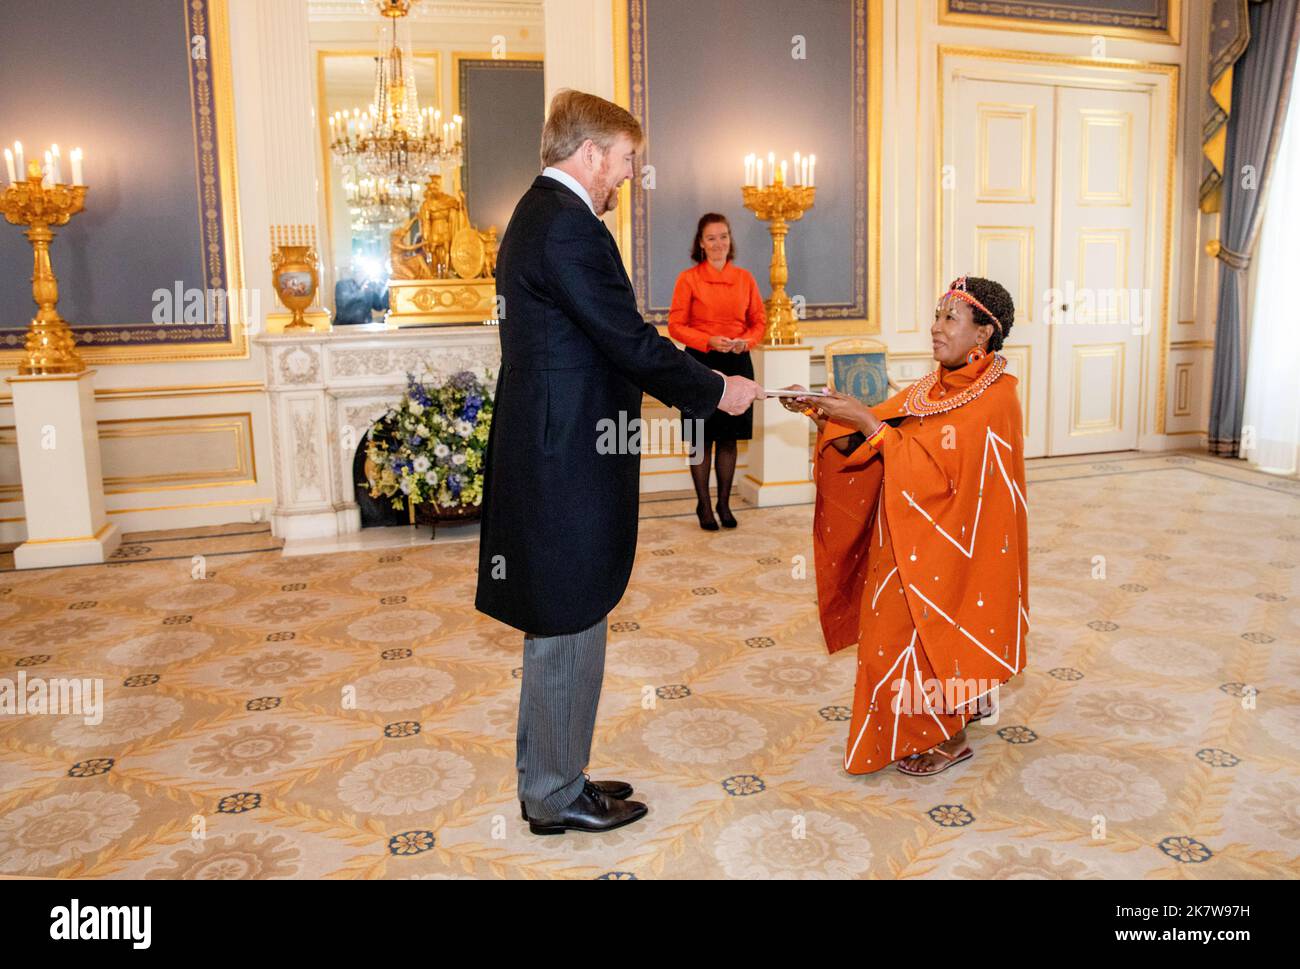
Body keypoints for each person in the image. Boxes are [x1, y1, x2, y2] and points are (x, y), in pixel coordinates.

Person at [475, 89, 763, 834]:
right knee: (569, 620)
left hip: (556, 451)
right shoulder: (566, 226)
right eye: (628, 159)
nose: (631, 174)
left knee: (568, 621)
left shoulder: (542, 216)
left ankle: (557, 773)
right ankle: (552, 792)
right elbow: (628, 340)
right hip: (565, 461)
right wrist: (716, 390)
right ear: (592, 151)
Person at [783, 275, 1029, 777]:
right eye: (937, 315)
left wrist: (868, 423)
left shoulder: (995, 398)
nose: (935, 328)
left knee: (935, 625)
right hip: (908, 528)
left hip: (957, 541)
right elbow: (886, 431)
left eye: (950, 318)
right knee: (896, 627)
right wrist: (822, 410)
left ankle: (950, 734)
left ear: (983, 334)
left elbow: (944, 476)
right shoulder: (935, 385)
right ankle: (964, 701)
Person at [668, 213, 766, 530]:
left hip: (737, 362)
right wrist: (708, 340)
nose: (718, 243)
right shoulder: (688, 279)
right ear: (701, 243)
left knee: (728, 438)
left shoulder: (745, 278)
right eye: (711, 237)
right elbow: (675, 326)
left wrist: (745, 342)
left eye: (723, 236)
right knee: (700, 438)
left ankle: (724, 504)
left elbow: (758, 323)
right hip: (699, 363)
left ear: (730, 239)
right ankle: (704, 506)